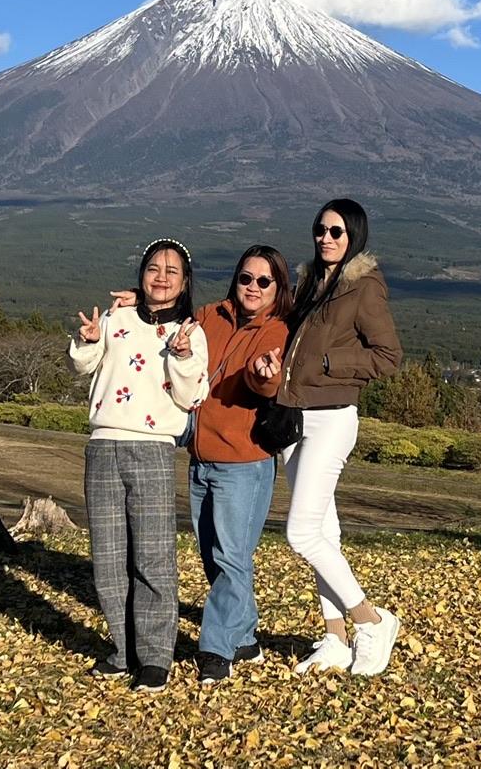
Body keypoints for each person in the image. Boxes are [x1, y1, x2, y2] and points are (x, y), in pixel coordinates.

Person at [108, 245, 295, 686]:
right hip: (201, 457)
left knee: (232, 558)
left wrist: (265, 377)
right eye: (245, 278)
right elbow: (177, 315)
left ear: (277, 288)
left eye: (263, 281)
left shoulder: (280, 332)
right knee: (216, 558)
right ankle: (245, 636)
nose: (252, 287)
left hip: (244, 462)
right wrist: (142, 297)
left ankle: (215, 648)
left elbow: (261, 379)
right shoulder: (212, 316)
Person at [265, 198, 404, 676]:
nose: (326, 238)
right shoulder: (310, 283)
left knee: (301, 532)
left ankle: (372, 620)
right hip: (294, 419)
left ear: (355, 237)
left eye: (337, 232)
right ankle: (334, 639)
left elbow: (388, 356)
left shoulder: (363, 287)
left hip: (332, 417)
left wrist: (330, 365)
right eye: (320, 229)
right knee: (324, 531)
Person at [70, 238, 209, 693]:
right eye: (154, 268)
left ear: (185, 281)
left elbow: (191, 398)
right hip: (104, 442)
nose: (162, 276)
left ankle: (155, 658)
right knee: (108, 558)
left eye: (172, 270)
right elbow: (85, 365)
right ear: (141, 275)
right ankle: (121, 649)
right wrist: (88, 341)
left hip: (151, 448)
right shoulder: (116, 318)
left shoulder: (190, 332)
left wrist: (184, 356)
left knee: (152, 556)